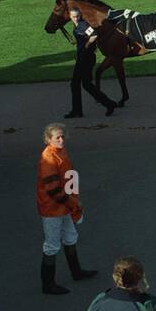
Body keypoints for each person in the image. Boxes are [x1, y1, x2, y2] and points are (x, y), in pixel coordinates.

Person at [36, 122, 97, 295]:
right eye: (57, 137)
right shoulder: (48, 159)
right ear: (48, 139)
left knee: (70, 237)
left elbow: (67, 179)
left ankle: (76, 272)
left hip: (62, 206)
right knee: (52, 245)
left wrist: (72, 200)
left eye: (63, 136)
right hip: (53, 209)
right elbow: (53, 189)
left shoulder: (60, 152)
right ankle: (47, 285)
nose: (61, 140)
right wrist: (74, 203)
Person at [66, 5, 117, 119]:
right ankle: (108, 103)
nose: (76, 18)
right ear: (69, 16)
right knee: (85, 84)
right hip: (83, 57)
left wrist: (86, 45)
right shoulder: (77, 26)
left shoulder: (83, 24)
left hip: (85, 58)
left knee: (79, 84)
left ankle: (78, 110)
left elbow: (94, 35)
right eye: (74, 17)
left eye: (78, 16)